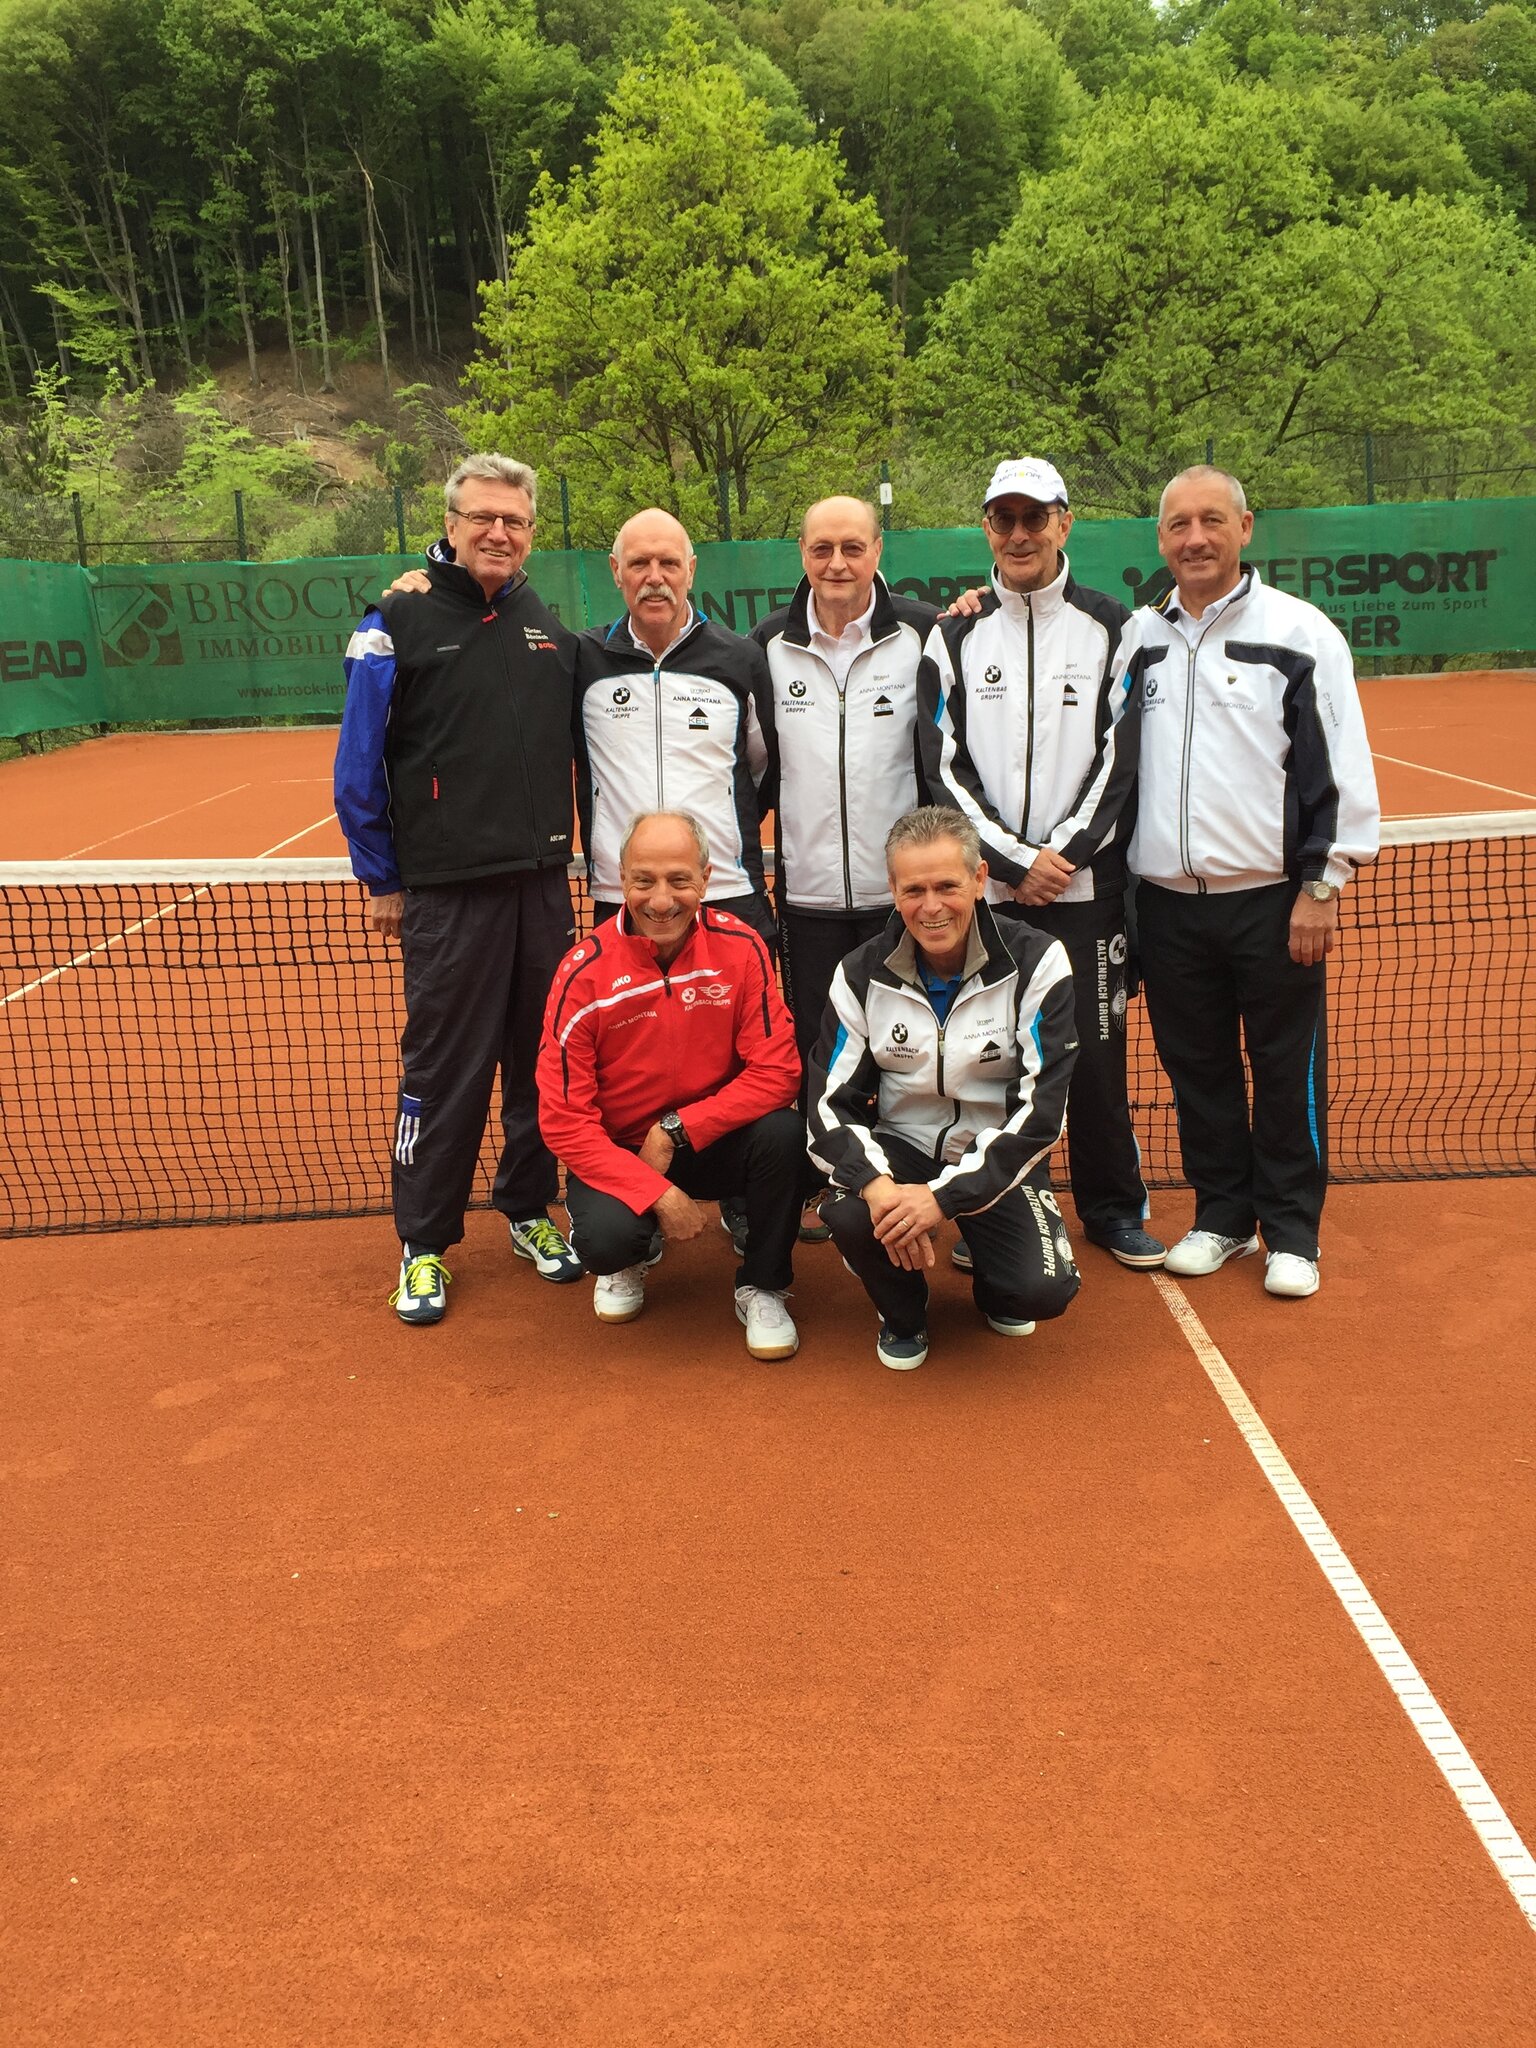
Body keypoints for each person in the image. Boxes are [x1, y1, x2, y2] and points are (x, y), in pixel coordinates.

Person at [335, 453, 583, 1325]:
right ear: (451, 522)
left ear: (530, 532)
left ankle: (526, 1209)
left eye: (513, 521)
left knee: (540, 1067)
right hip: (446, 896)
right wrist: (382, 875)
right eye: (482, 517)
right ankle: (423, 1243)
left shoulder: (544, 623)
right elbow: (358, 763)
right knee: (444, 1074)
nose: (498, 533)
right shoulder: (394, 617)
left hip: (543, 891)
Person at [1121, 465, 1380, 1299]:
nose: (1195, 539)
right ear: (1159, 539)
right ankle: (1223, 1215)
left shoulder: (1302, 633)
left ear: (1245, 527)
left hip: (1275, 904)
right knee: (1196, 1070)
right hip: (1163, 904)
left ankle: (1293, 1231)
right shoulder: (1136, 640)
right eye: (1178, 525)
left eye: (1211, 521)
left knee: (1285, 1067)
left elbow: (1339, 772)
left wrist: (1322, 886)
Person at [916, 457, 1162, 1272]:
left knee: (1092, 1056)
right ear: (987, 527)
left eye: (1034, 518)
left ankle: (1114, 1208)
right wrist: (1011, 862)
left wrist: (1062, 858)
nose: (1018, 535)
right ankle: (996, 1211)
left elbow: (1120, 761)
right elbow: (941, 766)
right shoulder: (952, 633)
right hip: (991, 892)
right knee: (993, 1060)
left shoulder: (1114, 628)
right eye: (1003, 519)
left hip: (1085, 891)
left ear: (1064, 522)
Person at [809, 805, 1081, 1370]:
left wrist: (942, 1199)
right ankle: (904, 1312)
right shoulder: (859, 973)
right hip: (900, 1146)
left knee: (1038, 1293)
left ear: (981, 879)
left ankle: (992, 1277)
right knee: (855, 1214)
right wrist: (880, 1189)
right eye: (913, 890)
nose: (930, 908)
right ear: (893, 889)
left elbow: (1042, 1110)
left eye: (947, 886)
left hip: (993, 1150)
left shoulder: (1038, 961)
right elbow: (825, 1105)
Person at [536, 809, 803, 1358]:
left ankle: (763, 1283)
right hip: (623, 1154)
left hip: (707, 1139)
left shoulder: (743, 948)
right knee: (607, 1241)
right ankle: (631, 1255)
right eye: (644, 880)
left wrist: (678, 1129)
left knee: (785, 1134)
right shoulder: (581, 975)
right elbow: (564, 1121)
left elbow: (779, 1071)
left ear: (705, 878)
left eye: (680, 880)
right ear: (619, 878)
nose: (661, 901)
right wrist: (652, 1190)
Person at [752, 496, 937, 1242]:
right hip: (810, 902)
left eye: (853, 547)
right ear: (801, 550)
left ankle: (917, 1184)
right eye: (822, 547)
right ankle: (824, 1183)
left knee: (911, 1045)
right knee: (819, 1050)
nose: (837, 563)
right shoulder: (763, 646)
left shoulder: (928, 632)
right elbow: (753, 773)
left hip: (908, 901)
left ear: (877, 547)